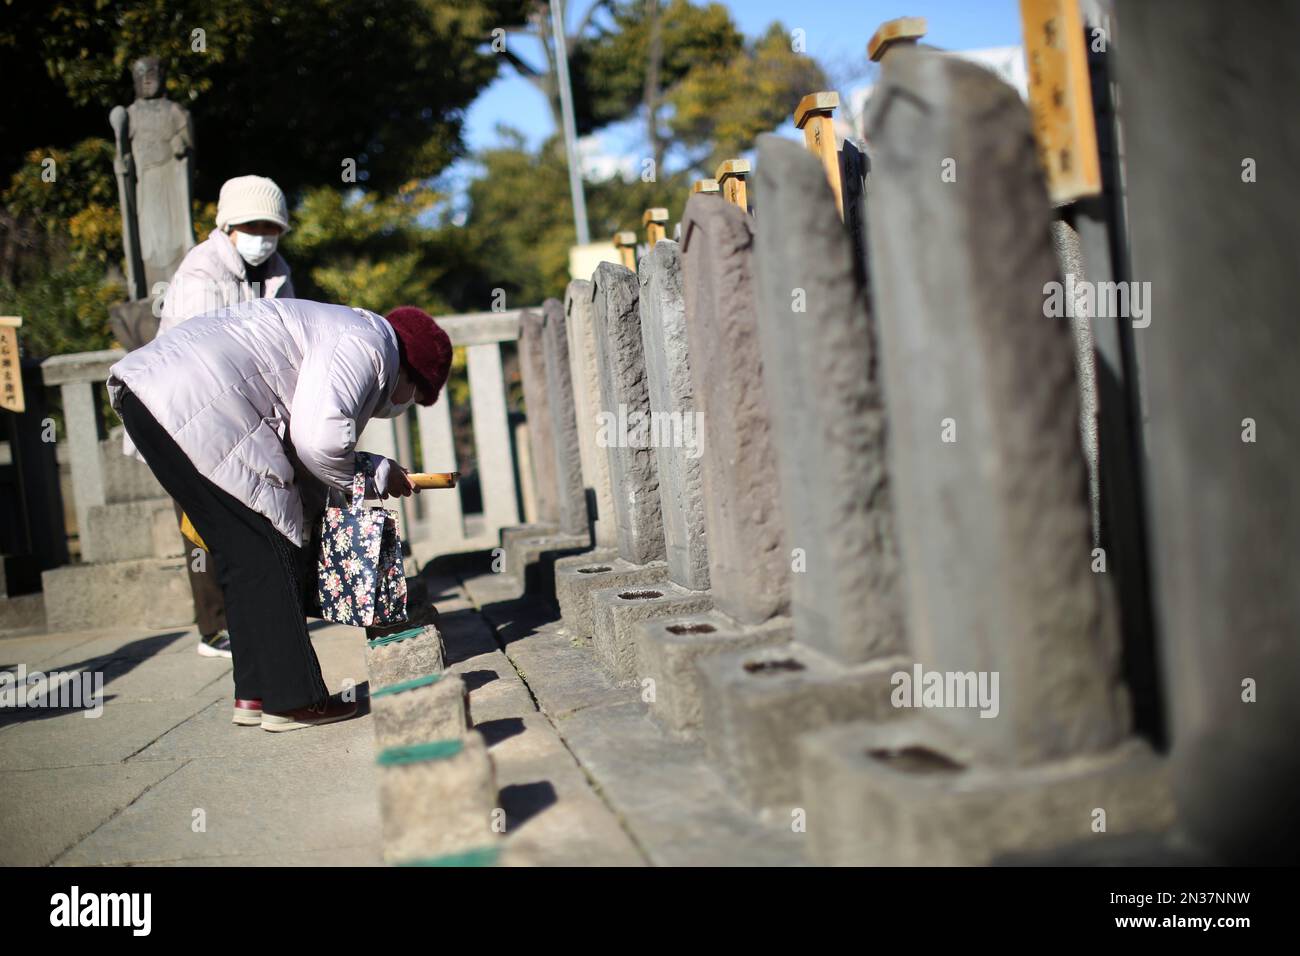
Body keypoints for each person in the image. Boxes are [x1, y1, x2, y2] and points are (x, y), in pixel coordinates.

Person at [107, 299, 452, 732]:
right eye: (417, 397)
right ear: (410, 371)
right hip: (197, 405)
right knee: (268, 552)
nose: (405, 406)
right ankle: (295, 699)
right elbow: (319, 443)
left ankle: (255, 693)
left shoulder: (344, 328)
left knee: (241, 555)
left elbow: (305, 445)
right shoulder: (367, 344)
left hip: (152, 398)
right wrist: (372, 470)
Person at [148, 174, 297, 660]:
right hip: (188, 412)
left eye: (270, 226)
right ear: (227, 225)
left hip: (250, 413)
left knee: (253, 516)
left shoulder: (277, 271)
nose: (262, 236)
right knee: (203, 523)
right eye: (252, 225)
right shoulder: (199, 276)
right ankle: (213, 627)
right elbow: (201, 358)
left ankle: (263, 614)